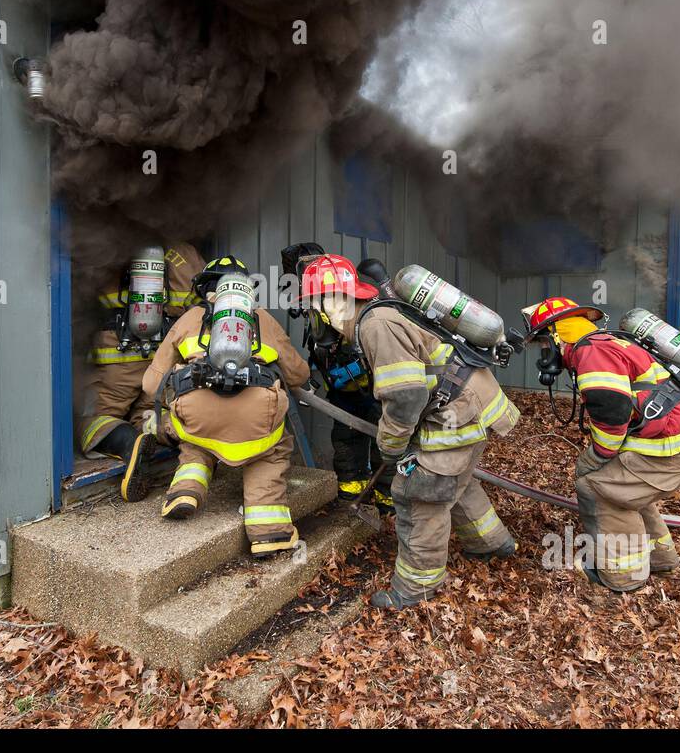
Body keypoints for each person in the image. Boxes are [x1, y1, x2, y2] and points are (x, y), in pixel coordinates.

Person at [300, 253, 520, 610]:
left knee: (421, 496)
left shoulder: (375, 326)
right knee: (454, 481)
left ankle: (415, 589)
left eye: (314, 306)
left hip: (456, 414)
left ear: (332, 303)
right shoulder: (382, 311)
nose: (315, 317)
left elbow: (405, 395)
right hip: (473, 403)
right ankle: (491, 543)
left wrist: (391, 444)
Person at [520, 296, 680, 591]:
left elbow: (612, 413)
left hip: (676, 443)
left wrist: (596, 455)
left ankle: (623, 576)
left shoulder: (591, 353)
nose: (545, 354)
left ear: (556, 334)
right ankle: (659, 558)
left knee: (601, 490)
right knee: (628, 489)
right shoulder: (607, 343)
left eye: (543, 345)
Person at [123, 256, 312, 557]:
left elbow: (150, 385)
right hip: (257, 417)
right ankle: (270, 531)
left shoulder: (187, 320)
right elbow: (299, 374)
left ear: (205, 288)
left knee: (194, 440)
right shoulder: (262, 318)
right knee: (270, 453)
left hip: (200, 415)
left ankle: (185, 490)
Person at [280, 242, 393, 510]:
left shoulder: (351, 302)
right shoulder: (313, 302)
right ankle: (350, 495)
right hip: (343, 389)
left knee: (383, 443)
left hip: (374, 388)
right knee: (346, 440)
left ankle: (388, 504)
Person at [78, 242, 204, 474]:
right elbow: (200, 312)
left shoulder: (112, 244)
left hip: (116, 363)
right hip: (162, 363)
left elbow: (83, 293)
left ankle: (128, 443)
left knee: (96, 419)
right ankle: (175, 436)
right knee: (153, 413)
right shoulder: (187, 254)